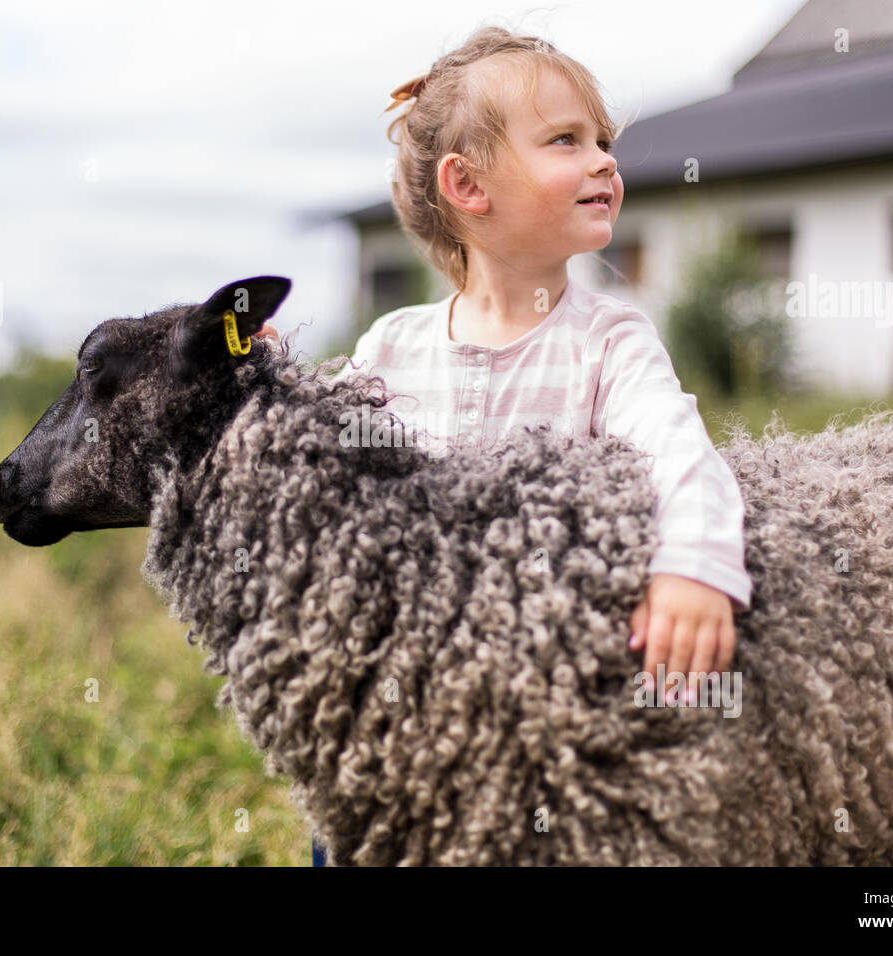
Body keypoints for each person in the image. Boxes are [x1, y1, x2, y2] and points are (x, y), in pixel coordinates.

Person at [286, 25, 752, 867]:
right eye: (567, 140)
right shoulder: (391, 347)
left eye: (604, 141)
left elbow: (679, 450)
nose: (605, 161)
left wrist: (693, 568)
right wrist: (264, 385)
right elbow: (319, 470)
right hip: (413, 687)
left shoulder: (608, 342)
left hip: (542, 693)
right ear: (467, 184)